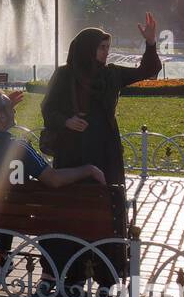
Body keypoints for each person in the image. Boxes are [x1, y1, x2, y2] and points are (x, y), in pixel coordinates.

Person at [0, 90, 106, 285]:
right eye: (10, 110)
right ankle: (56, 272)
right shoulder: (18, 148)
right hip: (15, 215)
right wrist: (87, 170)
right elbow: (53, 179)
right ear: (1, 116)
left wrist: (0, 109)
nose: (15, 113)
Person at [40, 13, 162, 188]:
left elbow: (148, 70)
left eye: (107, 47)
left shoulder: (111, 74)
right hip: (73, 147)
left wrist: (150, 43)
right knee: (75, 198)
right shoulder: (65, 74)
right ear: (88, 48)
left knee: (107, 197)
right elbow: (48, 108)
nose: (107, 52)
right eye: (101, 47)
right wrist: (66, 121)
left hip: (106, 146)